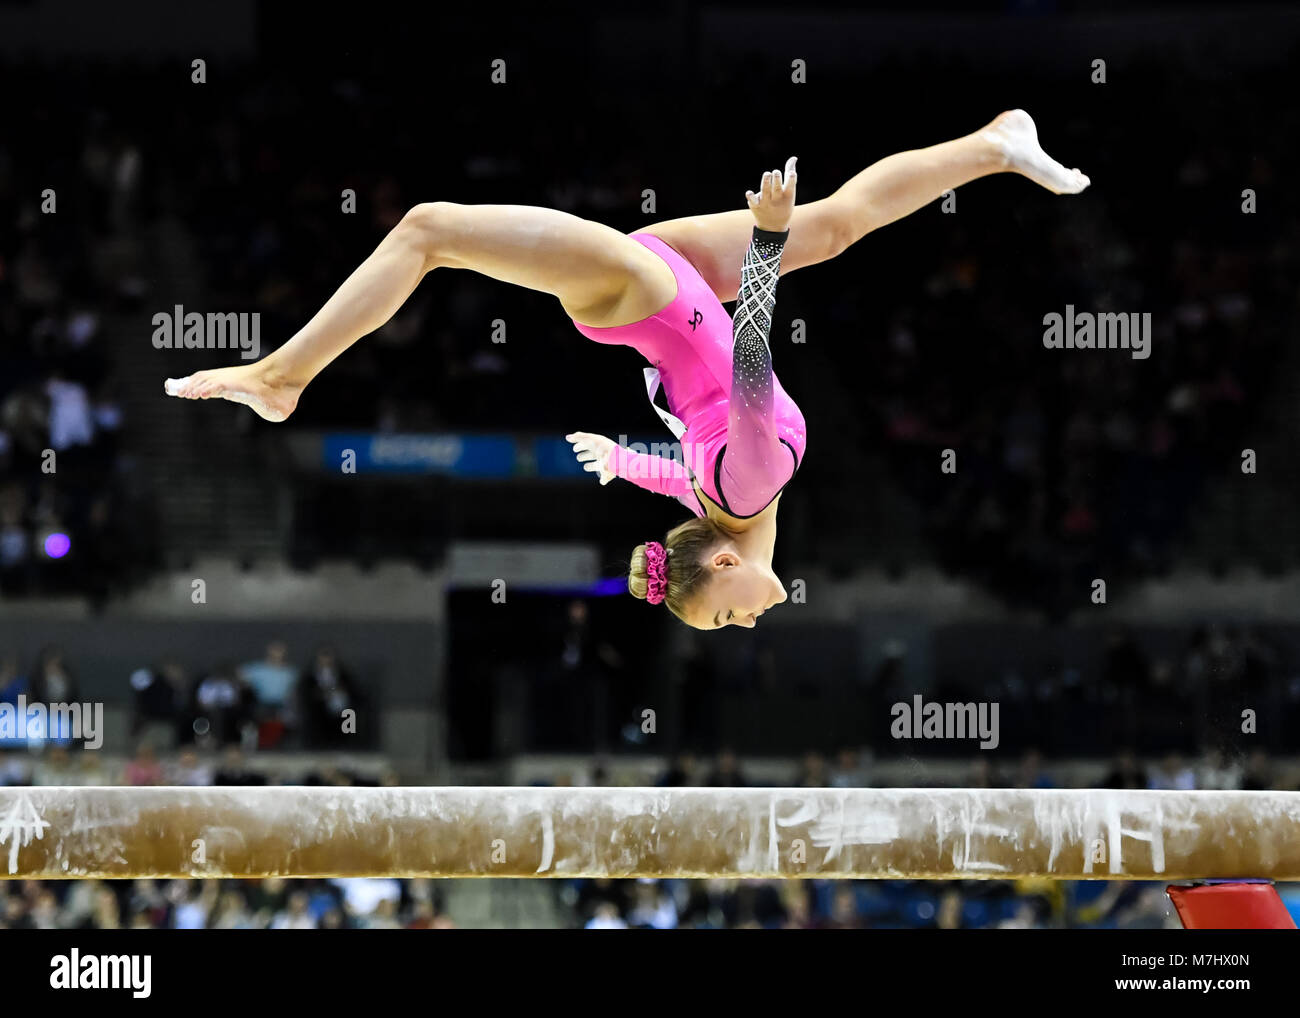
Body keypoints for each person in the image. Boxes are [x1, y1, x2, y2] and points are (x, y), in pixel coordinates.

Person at [164, 111, 1088, 629]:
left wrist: (766, 245)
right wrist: (619, 459)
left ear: (722, 562)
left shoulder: (748, 485)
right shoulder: (723, 499)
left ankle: (286, 374)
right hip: (664, 290)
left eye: (725, 617)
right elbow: (676, 469)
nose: (747, 622)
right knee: (841, 225)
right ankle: (994, 145)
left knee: (430, 229)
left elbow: (757, 356)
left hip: (643, 293)